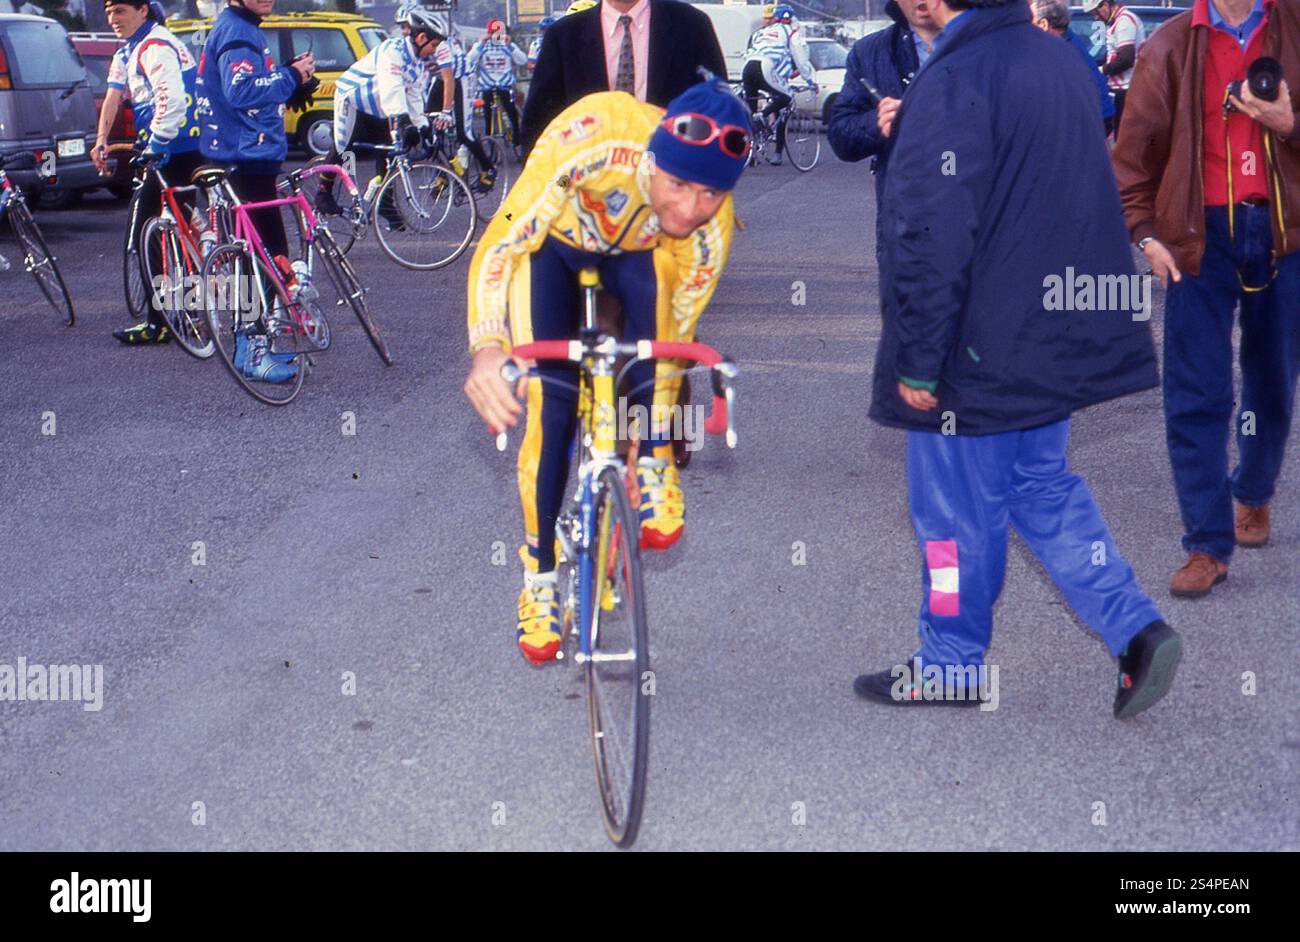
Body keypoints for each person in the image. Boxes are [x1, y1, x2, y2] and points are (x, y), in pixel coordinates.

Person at [853, 0, 1179, 720]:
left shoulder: (958, 76)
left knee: (947, 521)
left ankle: (949, 662)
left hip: (971, 348)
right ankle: (1135, 629)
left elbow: (932, 230)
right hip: (1044, 339)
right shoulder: (1058, 61)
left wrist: (916, 361)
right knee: (1041, 488)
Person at [462, 80, 749, 665]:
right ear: (653, 161)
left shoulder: (708, 230)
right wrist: (489, 348)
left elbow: (676, 341)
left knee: (658, 326)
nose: (689, 208)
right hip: (554, 251)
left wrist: (654, 439)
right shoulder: (594, 137)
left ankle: (649, 467)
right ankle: (539, 577)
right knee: (555, 404)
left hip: (636, 259)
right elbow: (502, 244)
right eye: (677, 185)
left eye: (710, 195)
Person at [1113, 0, 1300, 598]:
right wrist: (1145, 234)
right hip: (1196, 235)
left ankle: (1253, 491)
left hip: (1283, 231)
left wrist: (1290, 125)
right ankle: (1206, 544)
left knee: (1272, 377)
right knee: (1197, 390)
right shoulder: (1168, 45)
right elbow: (1133, 155)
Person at [196, 0, 316, 384]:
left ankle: (260, 340)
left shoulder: (243, 24)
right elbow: (240, 90)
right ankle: (250, 350)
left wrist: (288, 81)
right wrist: (289, 78)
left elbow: (250, 90)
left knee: (267, 256)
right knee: (259, 259)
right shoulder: (237, 29)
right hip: (244, 160)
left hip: (250, 157)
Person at [94, 0, 203, 345]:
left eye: (121, 11)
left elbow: (173, 100)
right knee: (172, 232)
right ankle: (184, 316)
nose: (113, 19)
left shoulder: (155, 46)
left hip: (176, 149)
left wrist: (155, 144)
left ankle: (164, 323)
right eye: (109, 12)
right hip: (161, 146)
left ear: (143, 11)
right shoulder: (128, 51)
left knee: (153, 231)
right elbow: (113, 96)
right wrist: (101, 139)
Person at [520, 0, 728, 158]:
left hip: (671, 190)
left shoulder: (692, 26)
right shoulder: (563, 36)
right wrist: (561, 189)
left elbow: (720, 110)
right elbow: (538, 125)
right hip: (585, 194)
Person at [319, 6, 453, 216]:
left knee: (388, 150)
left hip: (377, 104)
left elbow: (414, 95)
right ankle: (323, 193)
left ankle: (385, 203)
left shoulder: (417, 61)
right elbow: (393, 88)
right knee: (344, 146)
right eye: (434, 44)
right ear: (421, 37)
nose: (435, 50)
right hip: (353, 97)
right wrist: (400, 122)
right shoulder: (393, 51)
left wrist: (422, 126)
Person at [827, 0, 939, 247]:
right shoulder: (869, 52)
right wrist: (878, 122)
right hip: (903, 228)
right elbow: (840, 137)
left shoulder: (987, 47)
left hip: (983, 222)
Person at [741, 4, 816, 166]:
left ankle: (750, 154)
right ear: (791, 19)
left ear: (775, 18)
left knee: (751, 113)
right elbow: (801, 60)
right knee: (786, 98)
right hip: (766, 70)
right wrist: (809, 80)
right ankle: (776, 150)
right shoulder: (791, 32)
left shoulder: (759, 32)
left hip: (748, 68)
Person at [1030, 0, 1115, 134]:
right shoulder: (1067, 39)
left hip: (1091, 118)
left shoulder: (1062, 51)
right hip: (1097, 114)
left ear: (1044, 24)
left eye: (1032, 24)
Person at [1082, 0, 1144, 132]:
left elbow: (1125, 59)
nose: (1096, 17)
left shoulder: (1124, 21)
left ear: (1105, 4)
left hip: (1128, 89)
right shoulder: (1117, 21)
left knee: (1123, 136)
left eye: (1095, 12)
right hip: (1121, 88)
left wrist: (1100, 70)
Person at [467, 18, 527, 150]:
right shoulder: (481, 46)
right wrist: (481, 44)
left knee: (512, 112)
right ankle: (488, 141)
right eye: (492, 34)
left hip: (505, 85)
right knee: (487, 115)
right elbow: (469, 60)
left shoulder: (508, 45)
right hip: (487, 86)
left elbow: (523, 60)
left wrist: (511, 46)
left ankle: (517, 141)